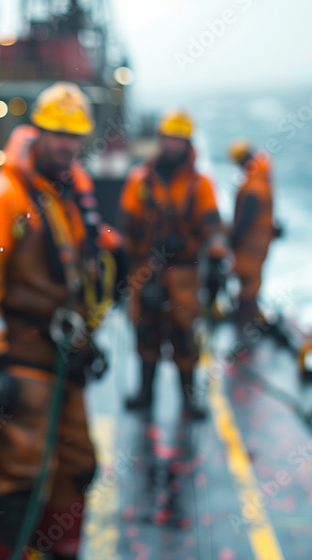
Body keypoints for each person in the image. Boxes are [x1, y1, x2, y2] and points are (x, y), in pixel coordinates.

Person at [0, 82, 121, 560]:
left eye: (74, 138)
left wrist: (89, 338)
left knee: (78, 465)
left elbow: (79, 272)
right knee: (25, 480)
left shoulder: (65, 195)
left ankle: (58, 547)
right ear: (37, 132)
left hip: (64, 358)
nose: (66, 146)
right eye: (57, 136)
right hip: (21, 358)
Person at [118, 109, 227, 416]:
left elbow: (213, 227)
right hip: (145, 269)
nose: (173, 145)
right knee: (146, 333)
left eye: (180, 140)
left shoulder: (200, 184)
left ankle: (189, 401)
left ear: (188, 143)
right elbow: (125, 226)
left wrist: (218, 263)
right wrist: (119, 266)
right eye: (169, 139)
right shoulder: (140, 179)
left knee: (185, 337)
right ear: (161, 140)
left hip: (184, 273)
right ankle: (145, 393)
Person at [228, 138, 275, 329]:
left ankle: (246, 327)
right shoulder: (262, 176)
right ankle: (249, 318)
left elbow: (247, 218)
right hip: (259, 241)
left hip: (250, 245)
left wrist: (232, 240)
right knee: (252, 282)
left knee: (247, 284)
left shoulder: (253, 185)